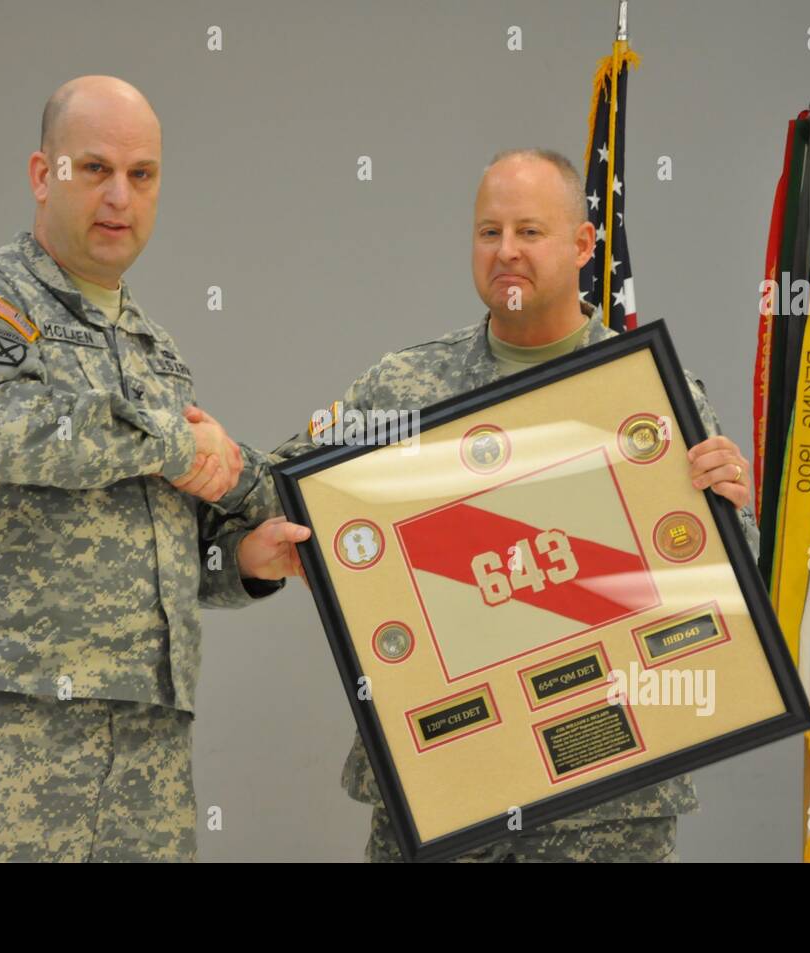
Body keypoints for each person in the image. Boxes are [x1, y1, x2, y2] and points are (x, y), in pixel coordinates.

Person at [263, 148, 760, 861]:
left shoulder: (649, 396)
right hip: (440, 789)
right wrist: (223, 472)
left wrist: (732, 508)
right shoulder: (404, 387)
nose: (506, 253)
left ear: (584, 245)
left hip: (606, 801)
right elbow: (287, 488)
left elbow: (730, 586)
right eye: (488, 232)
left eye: (530, 231)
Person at [0, 75, 306, 862]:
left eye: (142, 175)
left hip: (144, 754)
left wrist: (242, 560)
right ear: (43, 175)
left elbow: (152, 539)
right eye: (93, 168)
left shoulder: (152, 348)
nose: (119, 197)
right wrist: (177, 444)